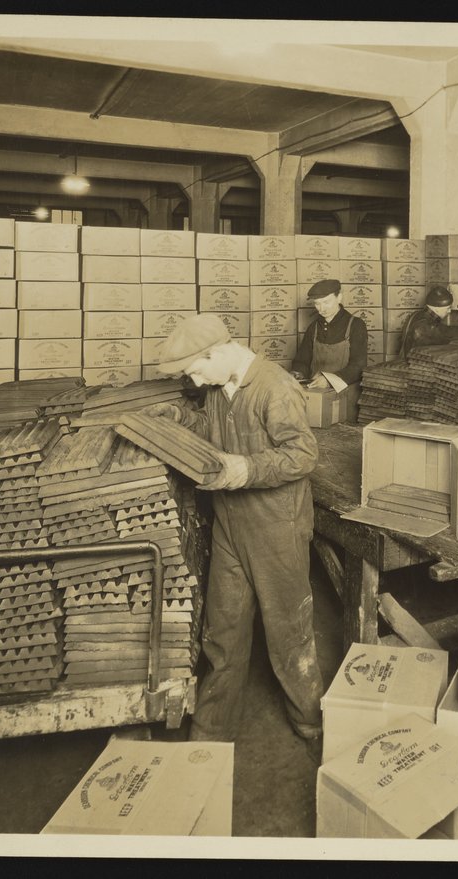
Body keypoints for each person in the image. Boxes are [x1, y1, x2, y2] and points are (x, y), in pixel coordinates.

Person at [144, 314, 325, 757]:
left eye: (194, 370)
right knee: (223, 629)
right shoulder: (218, 389)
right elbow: (212, 428)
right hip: (230, 524)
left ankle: (309, 719)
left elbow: (303, 455)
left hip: (276, 526)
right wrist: (179, 418)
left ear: (218, 352)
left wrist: (246, 468)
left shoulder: (275, 387)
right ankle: (213, 726)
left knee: (288, 630)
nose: (193, 380)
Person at [290, 278, 368, 389]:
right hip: (317, 389)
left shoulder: (356, 325)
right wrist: (297, 373)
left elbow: (358, 366)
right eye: (317, 303)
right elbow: (302, 361)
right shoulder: (313, 328)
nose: (321, 309)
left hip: (346, 391)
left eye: (326, 302)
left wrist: (330, 380)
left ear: (339, 298)